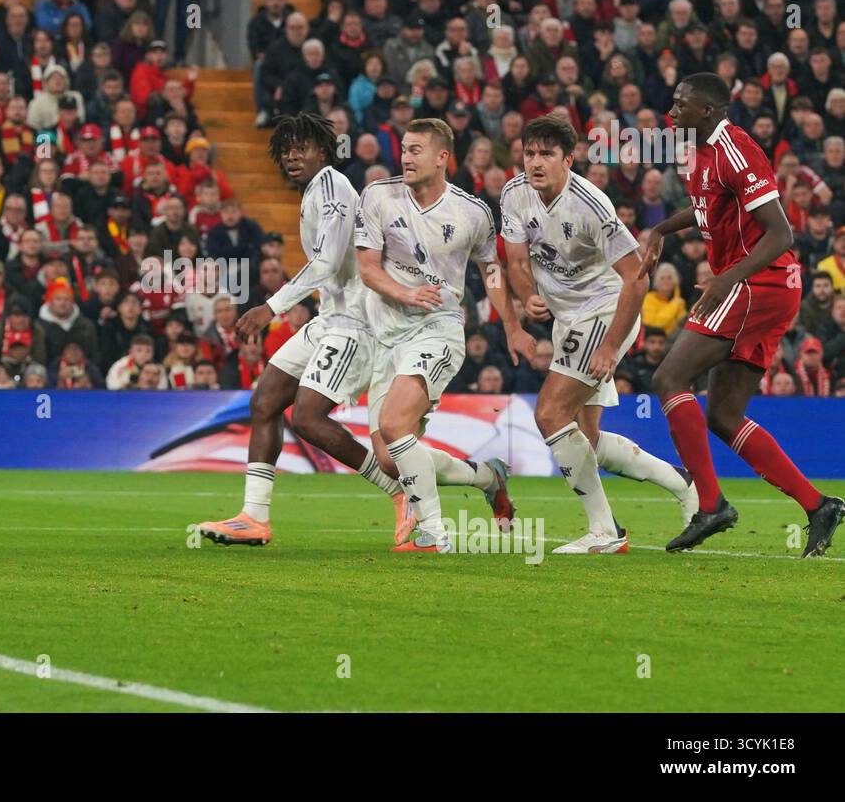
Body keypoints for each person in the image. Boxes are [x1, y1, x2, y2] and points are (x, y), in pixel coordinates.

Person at [198, 115, 516, 549]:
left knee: (314, 419)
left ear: (325, 151)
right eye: (286, 148)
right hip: (331, 317)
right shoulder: (320, 189)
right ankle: (254, 516)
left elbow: (330, 261)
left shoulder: (333, 189)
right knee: (266, 399)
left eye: (303, 147)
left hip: (356, 324)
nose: (293, 155)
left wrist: (270, 307)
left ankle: (401, 495)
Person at [642, 72, 844, 555]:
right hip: (761, 287)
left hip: (762, 282)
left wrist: (726, 278)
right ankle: (819, 505)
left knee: (669, 379)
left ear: (708, 111)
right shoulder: (700, 155)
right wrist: (661, 231)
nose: (672, 112)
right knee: (726, 415)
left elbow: (780, 233)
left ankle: (709, 503)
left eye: (681, 104)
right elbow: (704, 209)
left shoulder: (735, 148)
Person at [502, 116, 697, 553]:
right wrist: (528, 295)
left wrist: (610, 346)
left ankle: (604, 531)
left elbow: (637, 279)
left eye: (546, 155)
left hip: (606, 310)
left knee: (550, 414)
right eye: (530, 153)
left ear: (568, 160)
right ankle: (684, 484)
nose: (535, 162)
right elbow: (515, 261)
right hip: (567, 316)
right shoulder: (515, 194)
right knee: (584, 437)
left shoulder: (591, 205)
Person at [356, 118, 535, 552]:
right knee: (390, 455)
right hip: (386, 336)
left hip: (438, 329)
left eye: (416, 149)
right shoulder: (379, 195)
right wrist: (405, 292)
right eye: (404, 147)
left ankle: (434, 533)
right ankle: (488, 477)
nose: (406, 156)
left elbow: (490, 269)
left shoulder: (472, 212)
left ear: (442, 158)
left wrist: (511, 326)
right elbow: (367, 267)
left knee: (395, 424)